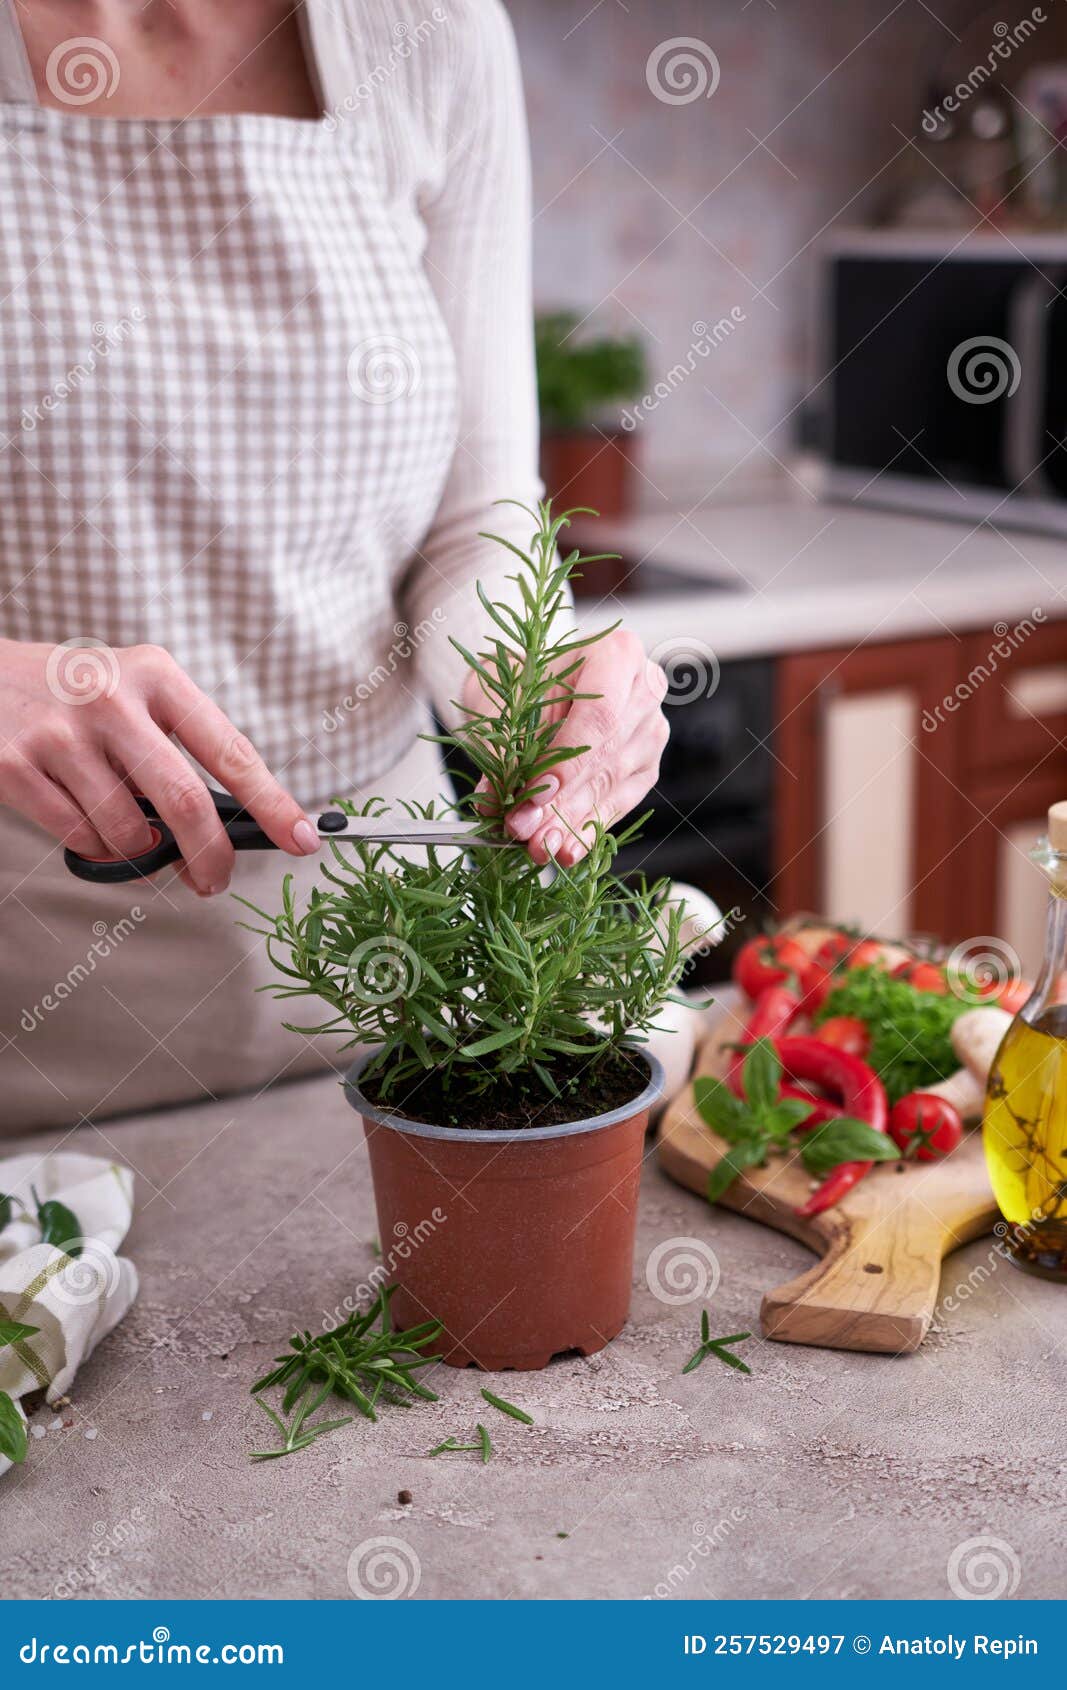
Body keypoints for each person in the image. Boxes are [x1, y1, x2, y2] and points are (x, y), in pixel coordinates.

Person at [0, 0, 668, 1132]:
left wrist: (531, 681)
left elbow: (476, 521)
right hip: (39, 977)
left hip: (395, 952)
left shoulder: (436, 33)